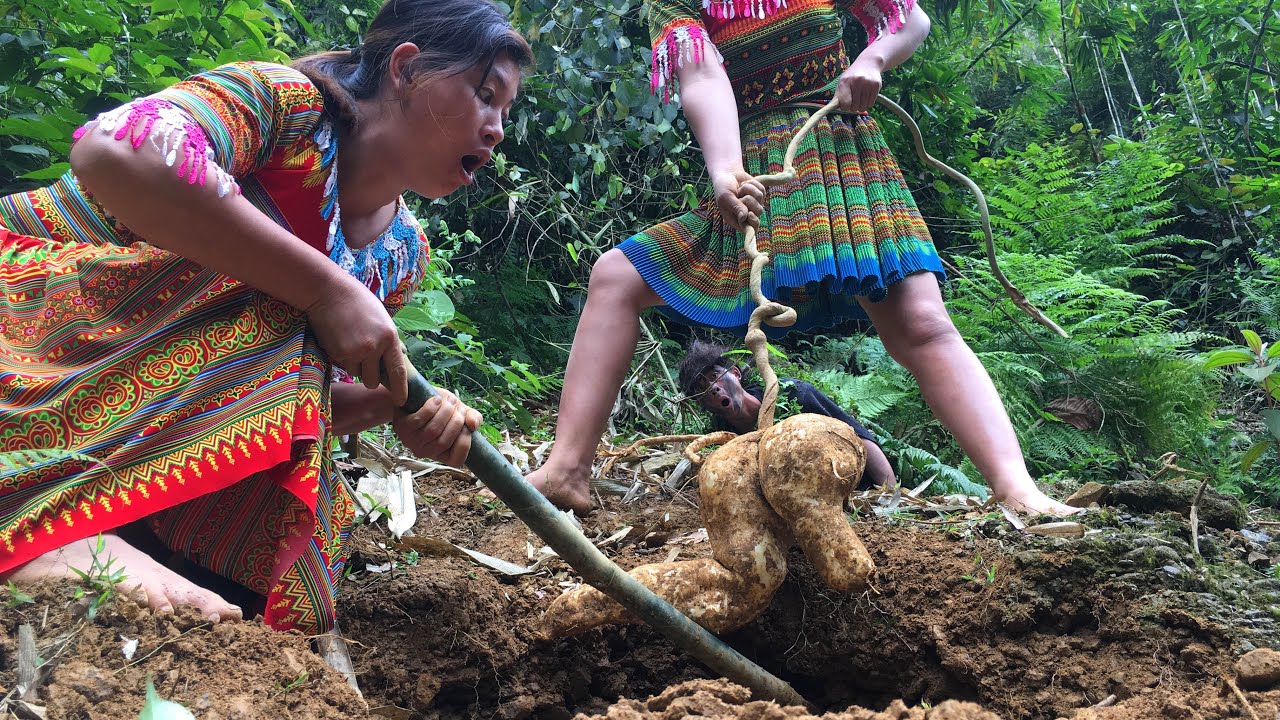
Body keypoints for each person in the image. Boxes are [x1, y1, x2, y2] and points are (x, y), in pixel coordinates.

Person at [0, 0, 530, 634]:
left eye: (505, 111)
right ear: (407, 69)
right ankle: (47, 533)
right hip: (31, 332)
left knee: (301, 420)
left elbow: (281, 388)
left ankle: (155, 558)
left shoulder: (401, 255)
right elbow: (118, 147)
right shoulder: (281, 104)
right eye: (484, 94)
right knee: (278, 301)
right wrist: (325, 290)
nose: (496, 128)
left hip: (126, 404)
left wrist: (396, 406)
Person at [529, 0, 1079, 517]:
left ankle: (1017, 490)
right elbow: (701, 74)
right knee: (617, 275)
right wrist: (725, 171)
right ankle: (566, 470)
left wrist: (871, 60)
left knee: (922, 322)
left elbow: (908, 19)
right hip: (755, 177)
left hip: (843, 156)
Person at [678, 340, 896, 489]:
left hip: (859, 488)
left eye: (715, 376)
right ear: (698, 401)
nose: (712, 388)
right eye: (701, 387)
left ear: (736, 374)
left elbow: (859, 438)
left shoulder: (793, 395)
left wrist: (889, 496)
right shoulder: (720, 436)